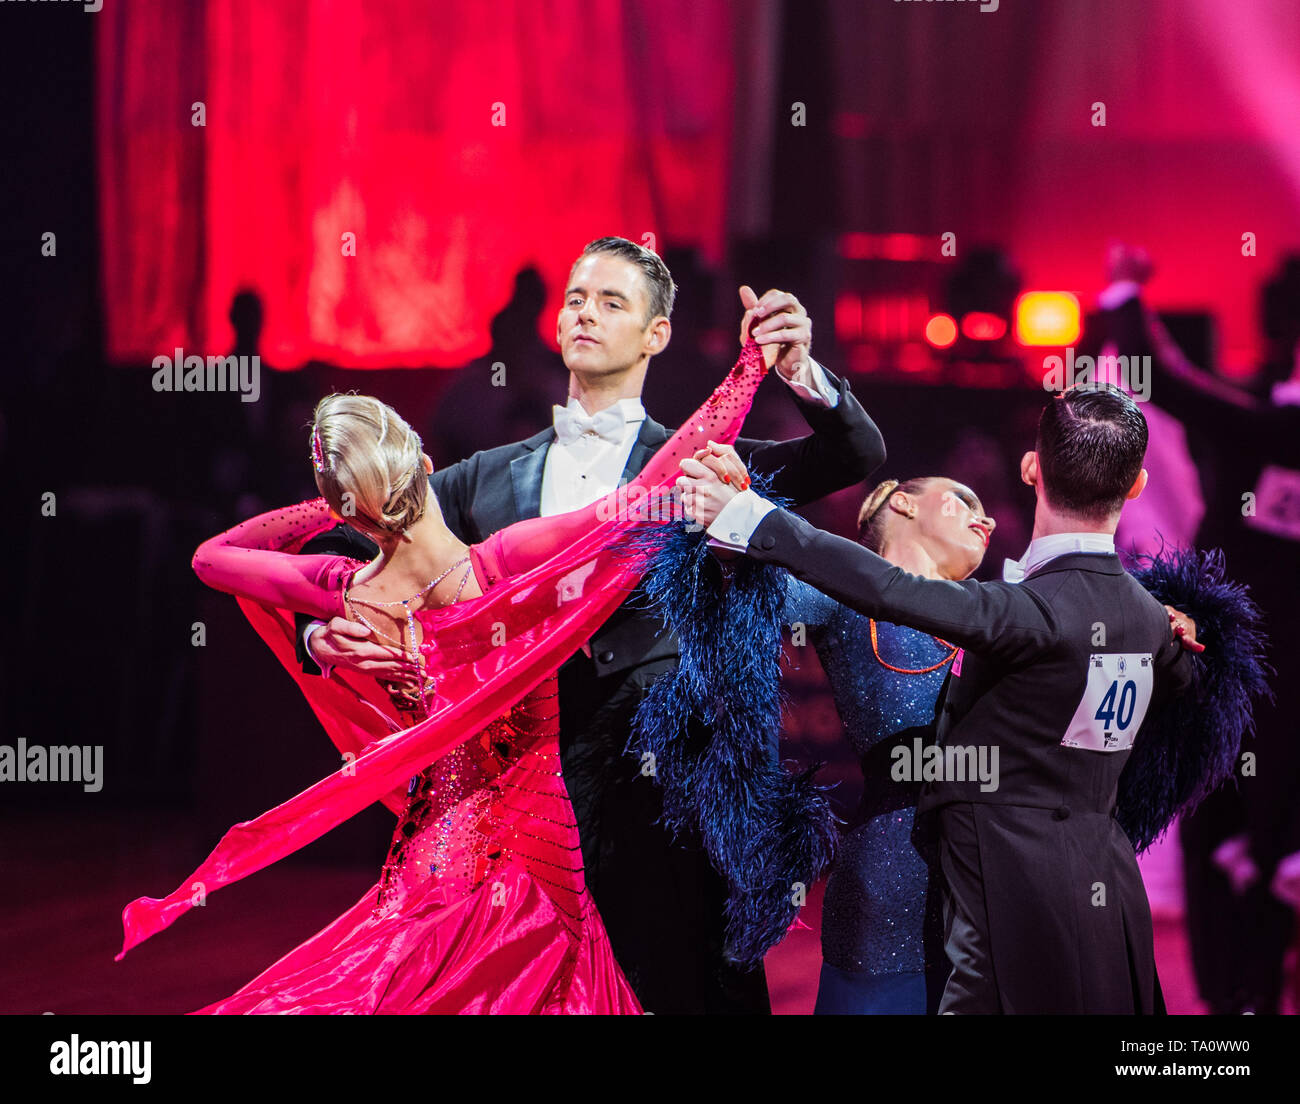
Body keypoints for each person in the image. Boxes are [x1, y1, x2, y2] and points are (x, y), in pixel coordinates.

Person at [291, 237, 887, 1013]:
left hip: (664, 799)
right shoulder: (489, 475)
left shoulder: (702, 463)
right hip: (521, 797)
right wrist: (324, 632)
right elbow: (348, 545)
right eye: (576, 299)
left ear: (655, 334)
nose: (586, 314)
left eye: (612, 302)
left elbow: (853, 452)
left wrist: (799, 369)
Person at [115, 338, 789, 1013]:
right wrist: (750, 367)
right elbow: (653, 486)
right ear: (424, 465)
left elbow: (212, 556)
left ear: (352, 508)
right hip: (538, 856)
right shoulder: (503, 566)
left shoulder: (344, 589)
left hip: (429, 853)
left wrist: (338, 506)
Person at [679, 383, 1266, 1014]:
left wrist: (752, 517)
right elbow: (781, 591)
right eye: (961, 499)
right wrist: (730, 511)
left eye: (985, 506)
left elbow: (890, 589)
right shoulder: (1111, 617)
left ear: (1032, 468)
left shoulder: (1016, 611)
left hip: (1002, 909)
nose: (983, 518)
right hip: (913, 897)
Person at [782, 477, 996, 1014]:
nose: (987, 519)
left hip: (993, 891)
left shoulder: (1001, 612)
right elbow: (741, 595)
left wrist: (1168, 626)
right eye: (964, 500)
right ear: (903, 502)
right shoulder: (842, 597)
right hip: (889, 888)